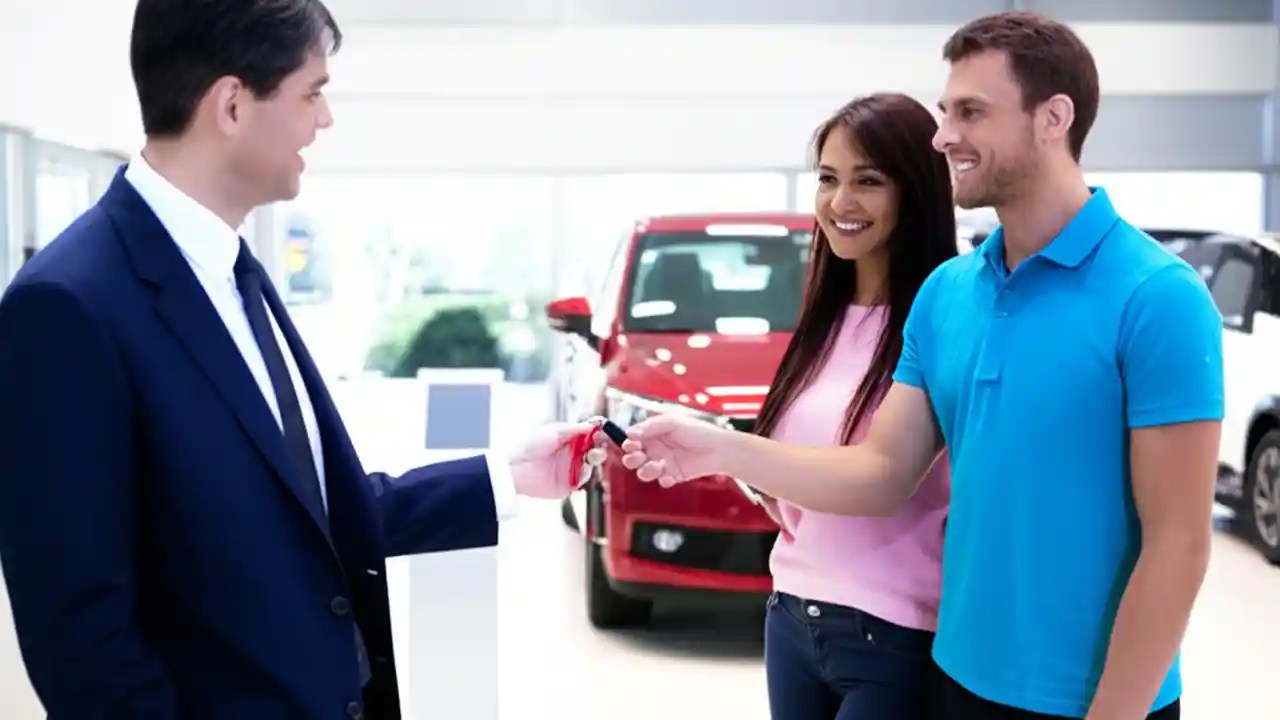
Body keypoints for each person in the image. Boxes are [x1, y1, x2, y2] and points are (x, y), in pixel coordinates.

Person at [0, 2, 603, 719]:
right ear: (230, 104)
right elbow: (83, 643)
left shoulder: (233, 272)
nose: (324, 120)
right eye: (311, 92)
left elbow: (302, 517)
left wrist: (506, 478)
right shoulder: (67, 307)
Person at [618, 12, 1222, 720]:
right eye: (945, 112)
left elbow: (1178, 546)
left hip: (1094, 701)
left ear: (1053, 118)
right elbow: (881, 472)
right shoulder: (947, 295)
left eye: (971, 112)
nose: (944, 136)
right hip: (954, 680)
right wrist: (721, 448)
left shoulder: (1159, 298)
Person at [751, 93, 955, 720]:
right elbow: (786, 489)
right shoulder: (822, 320)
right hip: (791, 613)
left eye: (868, 181)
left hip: (893, 631)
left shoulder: (944, 318)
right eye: (828, 179)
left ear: (915, 191)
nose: (840, 203)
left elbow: (883, 476)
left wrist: (726, 451)